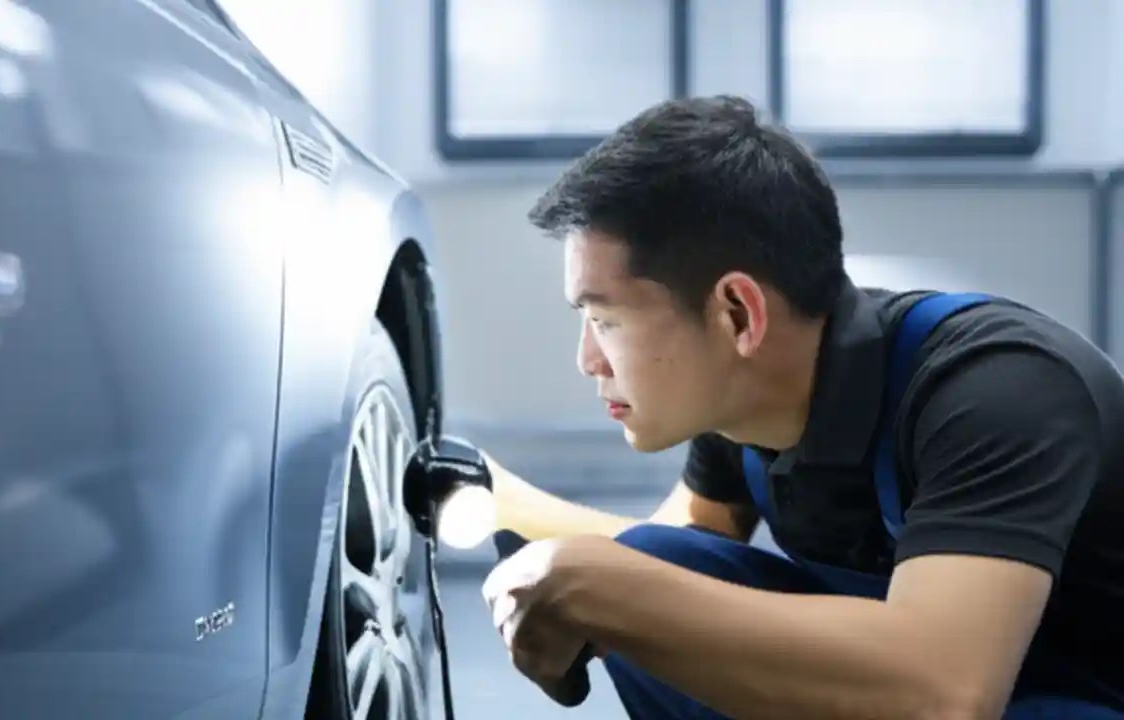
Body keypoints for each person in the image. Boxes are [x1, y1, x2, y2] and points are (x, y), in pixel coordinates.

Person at [479, 95, 1124, 719]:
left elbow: (945, 695)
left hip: (1051, 691)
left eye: (605, 320)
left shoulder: (995, 393)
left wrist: (601, 585)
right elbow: (680, 546)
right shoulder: (746, 400)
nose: (587, 359)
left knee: (633, 590)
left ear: (738, 313)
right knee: (652, 571)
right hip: (944, 676)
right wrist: (504, 511)